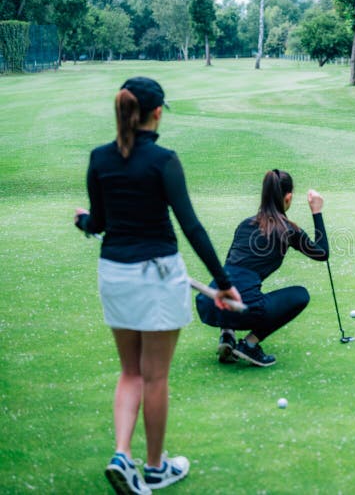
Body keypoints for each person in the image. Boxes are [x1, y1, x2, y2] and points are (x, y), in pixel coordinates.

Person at [74, 77, 241, 495]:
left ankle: (120, 454)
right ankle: (153, 468)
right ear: (157, 113)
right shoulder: (164, 160)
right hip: (159, 274)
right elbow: (192, 227)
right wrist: (223, 284)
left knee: (129, 371)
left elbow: (98, 223)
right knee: (155, 377)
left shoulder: (99, 158)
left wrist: (82, 222)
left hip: (115, 273)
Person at [195, 169, 329, 367]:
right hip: (244, 307)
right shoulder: (288, 230)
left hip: (209, 302)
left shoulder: (244, 225)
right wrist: (316, 212)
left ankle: (227, 335)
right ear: (288, 197)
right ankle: (249, 345)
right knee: (300, 295)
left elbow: (228, 269)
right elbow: (322, 253)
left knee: (234, 279)